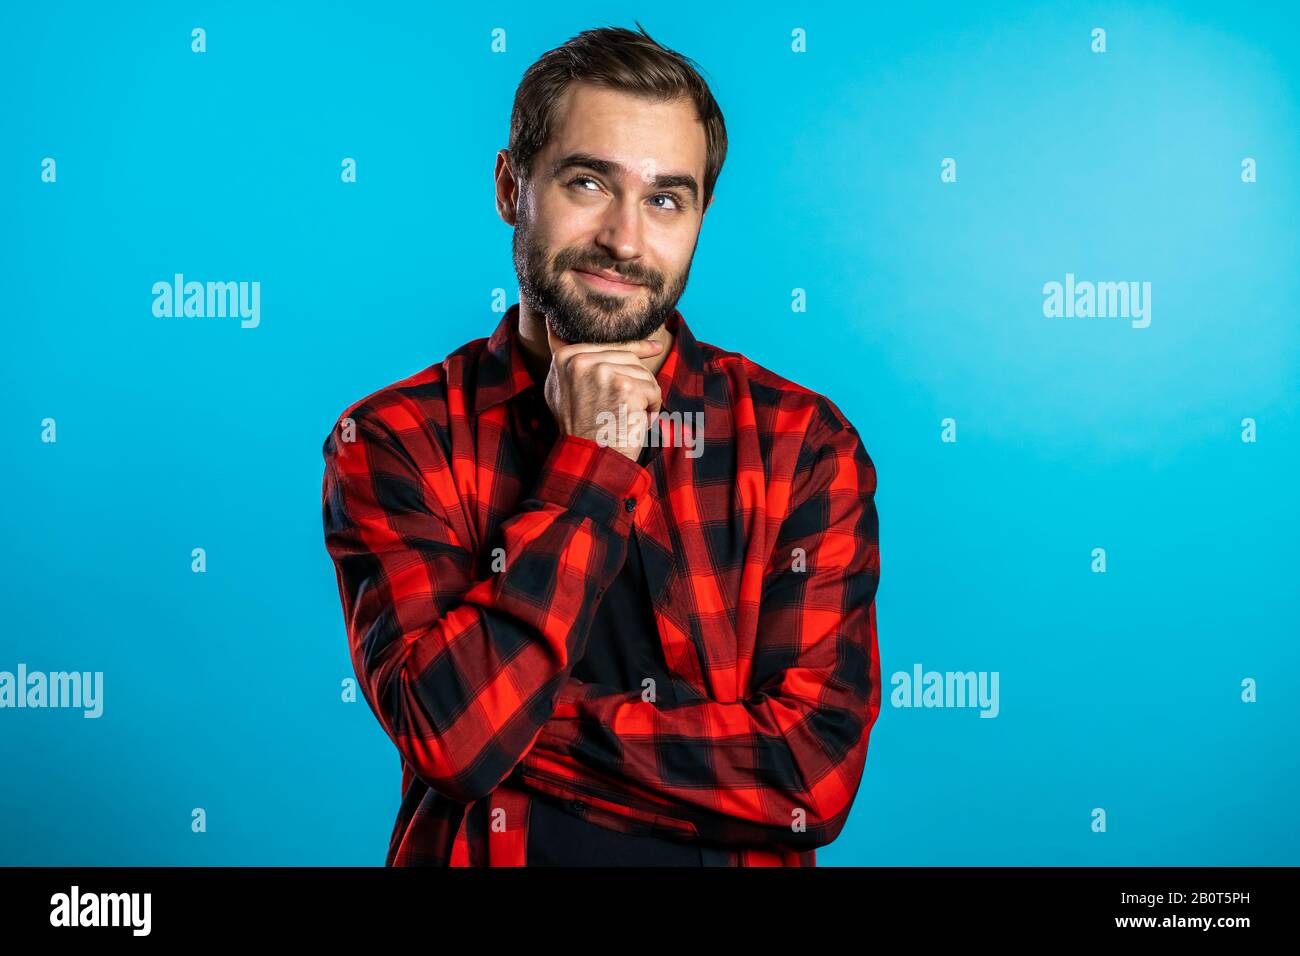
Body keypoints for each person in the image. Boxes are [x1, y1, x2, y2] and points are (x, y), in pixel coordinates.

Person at [321, 23, 881, 866]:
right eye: (589, 182)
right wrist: (593, 461)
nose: (626, 240)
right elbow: (454, 742)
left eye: (665, 199)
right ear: (513, 187)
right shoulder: (400, 438)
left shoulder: (803, 444)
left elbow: (808, 777)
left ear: (700, 216)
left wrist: (513, 722)